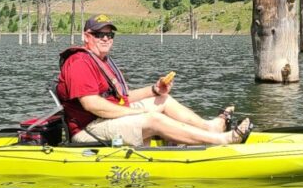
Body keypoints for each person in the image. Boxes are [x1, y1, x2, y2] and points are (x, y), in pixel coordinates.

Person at [56, 15, 250, 146]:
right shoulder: (79, 61)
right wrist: (137, 112)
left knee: (162, 100)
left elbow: (121, 97)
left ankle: (210, 128)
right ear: (86, 36)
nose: (106, 39)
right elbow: (93, 105)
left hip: (104, 120)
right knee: (152, 117)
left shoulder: (101, 60)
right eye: (100, 34)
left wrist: (154, 90)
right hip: (89, 130)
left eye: (110, 35)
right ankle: (222, 140)